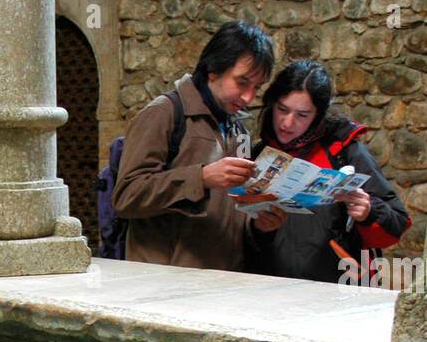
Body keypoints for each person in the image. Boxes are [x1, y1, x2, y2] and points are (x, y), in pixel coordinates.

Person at [111, 21, 285, 270]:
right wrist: (201, 177)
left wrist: (258, 226)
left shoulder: (240, 130)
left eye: (256, 87)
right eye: (242, 82)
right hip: (166, 284)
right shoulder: (165, 113)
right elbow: (126, 197)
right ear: (213, 70)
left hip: (223, 285)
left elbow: (232, 210)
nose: (248, 97)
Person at [245, 60, 410, 283]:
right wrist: (258, 229)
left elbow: (396, 225)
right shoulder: (258, 155)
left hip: (338, 291)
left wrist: (369, 211)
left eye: (302, 115)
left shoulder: (345, 152)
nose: (287, 122)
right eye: (282, 109)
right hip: (271, 291)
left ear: (318, 115)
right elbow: (240, 236)